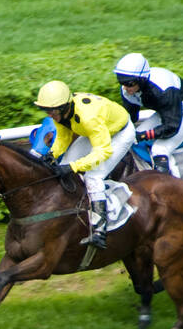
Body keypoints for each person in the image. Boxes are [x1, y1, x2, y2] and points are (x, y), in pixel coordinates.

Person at [32, 81, 135, 248]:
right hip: (95, 131)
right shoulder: (62, 112)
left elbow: (103, 152)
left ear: (64, 106)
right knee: (63, 166)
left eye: (52, 110)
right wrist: (52, 155)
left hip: (120, 133)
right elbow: (63, 136)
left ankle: (100, 231)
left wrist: (74, 167)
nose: (49, 114)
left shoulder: (88, 117)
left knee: (93, 177)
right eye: (46, 110)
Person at [113, 53, 183, 176]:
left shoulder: (162, 90)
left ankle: (168, 187)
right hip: (165, 112)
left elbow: (171, 126)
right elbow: (130, 118)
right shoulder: (127, 90)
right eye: (122, 83)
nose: (126, 88)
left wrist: (144, 135)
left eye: (130, 84)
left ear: (141, 80)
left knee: (159, 149)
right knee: (132, 140)